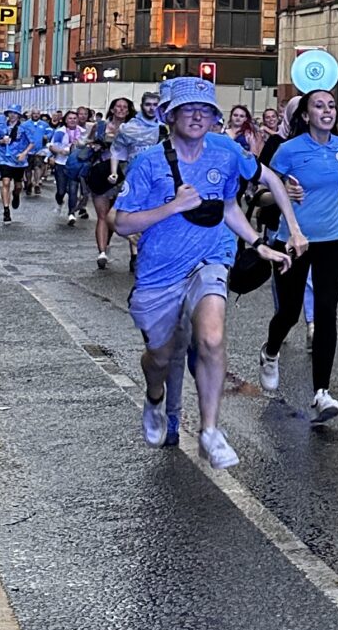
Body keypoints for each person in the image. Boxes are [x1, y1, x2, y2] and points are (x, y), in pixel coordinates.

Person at [113, 75, 302, 467]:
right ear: (171, 115)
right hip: (160, 271)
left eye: (205, 110)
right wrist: (171, 207)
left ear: (214, 117)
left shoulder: (225, 150)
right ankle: (153, 399)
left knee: (213, 339)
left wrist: (262, 240)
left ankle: (210, 431)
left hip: (211, 258)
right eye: (188, 109)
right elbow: (122, 222)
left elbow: (238, 199)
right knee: (159, 358)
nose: (197, 116)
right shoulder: (149, 162)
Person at [260, 86, 338, 424]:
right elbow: (259, 196)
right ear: (305, 115)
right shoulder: (287, 150)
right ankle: (270, 352)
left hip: (330, 240)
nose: (327, 111)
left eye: (331, 106)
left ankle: (322, 393)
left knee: (327, 312)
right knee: (288, 312)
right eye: (319, 106)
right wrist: (281, 191)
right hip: (292, 241)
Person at [84, 97, 134, 268]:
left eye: (124, 107)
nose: (121, 110)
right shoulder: (100, 127)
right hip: (102, 173)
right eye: (117, 107)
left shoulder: (134, 128)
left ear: (128, 111)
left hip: (126, 173)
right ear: (112, 109)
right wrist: (93, 146)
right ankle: (102, 252)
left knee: (126, 214)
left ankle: (133, 254)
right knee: (103, 215)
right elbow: (86, 142)